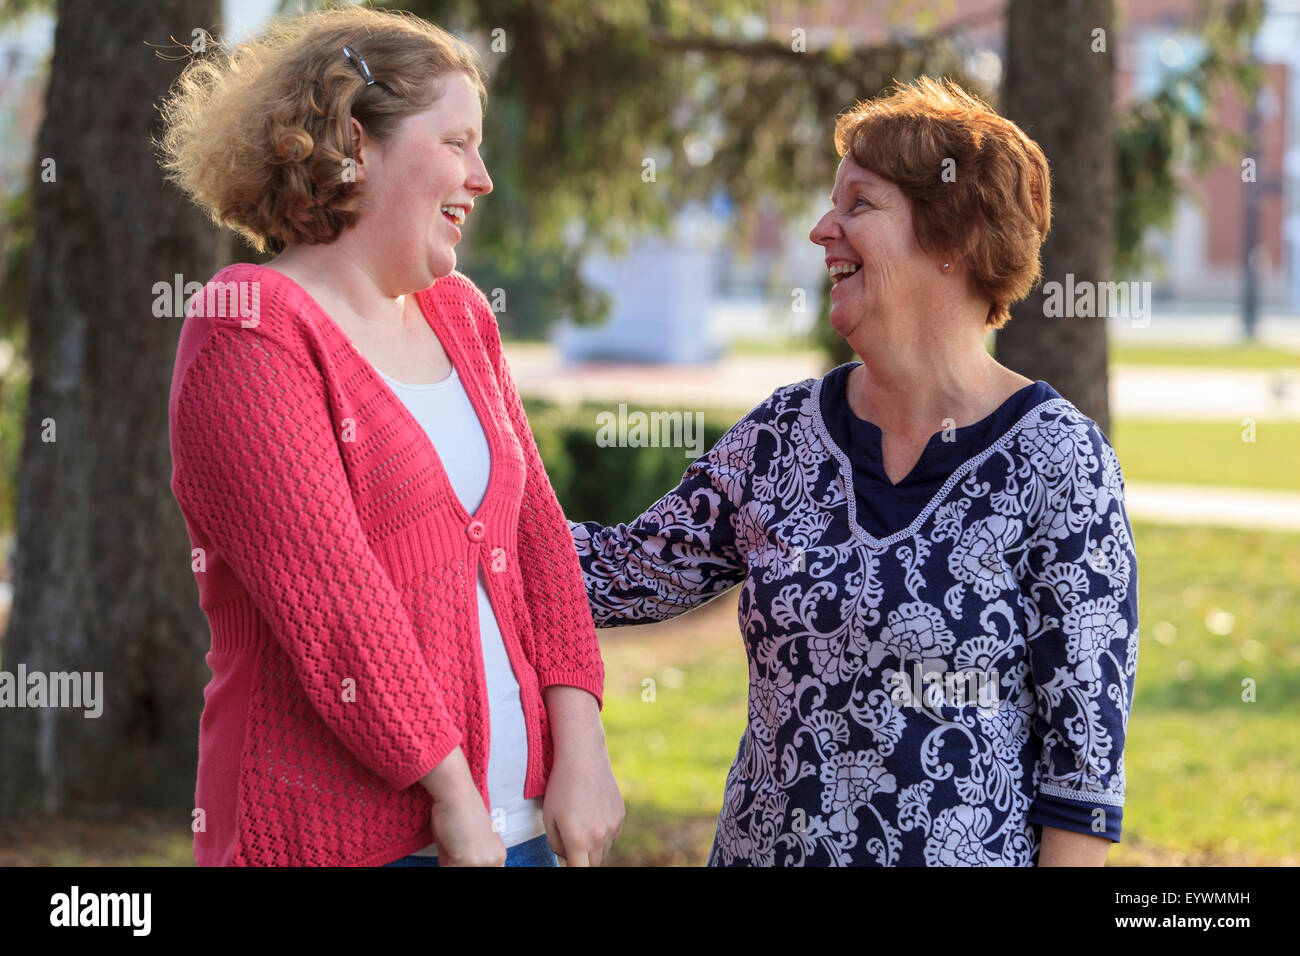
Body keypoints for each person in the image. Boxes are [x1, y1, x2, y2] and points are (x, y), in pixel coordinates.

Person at [569, 77, 1139, 866]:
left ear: (954, 237)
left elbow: (1083, 773)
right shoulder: (782, 436)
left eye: (858, 206)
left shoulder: (1059, 462)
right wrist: (445, 493)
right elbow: (614, 574)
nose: (820, 230)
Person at [157, 6, 622, 867]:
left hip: (522, 829)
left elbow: (537, 540)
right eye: (457, 142)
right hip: (352, 841)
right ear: (354, 145)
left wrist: (582, 743)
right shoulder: (248, 326)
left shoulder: (461, 313)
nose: (481, 177)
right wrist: (452, 795)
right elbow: (335, 603)